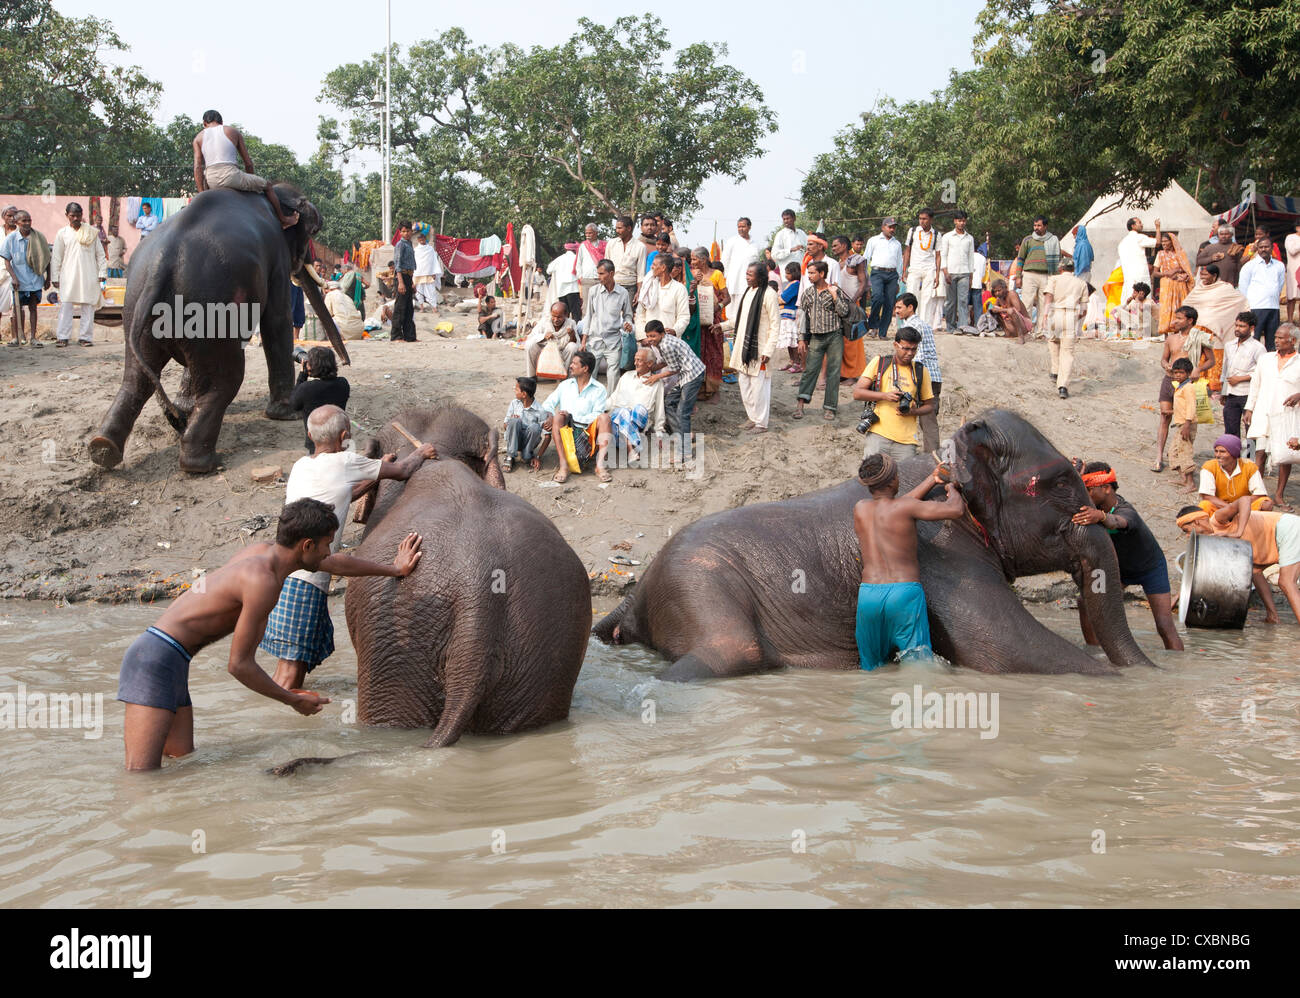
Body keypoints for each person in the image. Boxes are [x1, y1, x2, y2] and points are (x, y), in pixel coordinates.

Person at [119, 496, 423, 769]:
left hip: (172, 659)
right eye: (327, 543)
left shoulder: (262, 553)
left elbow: (336, 564)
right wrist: (291, 699)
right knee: (141, 777)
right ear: (306, 545)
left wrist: (394, 569)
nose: (328, 552)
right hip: (154, 660)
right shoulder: (263, 583)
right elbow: (239, 665)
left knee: (182, 763)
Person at [260, 409, 436, 691]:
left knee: (293, 664)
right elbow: (403, 471)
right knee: (289, 674)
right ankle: (279, 721)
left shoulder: (302, 465)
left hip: (282, 579)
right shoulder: (346, 461)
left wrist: (376, 472)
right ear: (345, 437)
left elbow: (344, 493)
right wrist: (422, 453)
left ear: (309, 436)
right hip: (304, 585)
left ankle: (287, 714)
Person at [852, 455, 965, 670]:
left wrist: (933, 479)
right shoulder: (906, 508)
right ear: (893, 481)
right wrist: (953, 489)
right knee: (918, 667)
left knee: (870, 669)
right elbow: (955, 510)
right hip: (903, 594)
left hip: (868, 596)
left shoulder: (860, 509)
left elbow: (899, 506)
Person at [1072, 463, 1183, 650]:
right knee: (1085, 602)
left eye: (1090, 490)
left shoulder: (1125, 510)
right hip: (1117, 570)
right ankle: (1094, 651)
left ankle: (1178, 669)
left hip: (1150, 569)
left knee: (1164, 626)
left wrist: (1100, 517)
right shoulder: (1092, 506)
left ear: (1106, 488)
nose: (1087, 495)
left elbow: (1118, 522)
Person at [1177, 498, 1300, 625]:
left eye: (1186, 531)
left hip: (1287, 528)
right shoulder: (1210, 541)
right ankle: (1272, 616)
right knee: (1254, 571)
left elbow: (1245, 500)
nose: (1187, 536)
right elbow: (1195, 576)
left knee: (1286, 582)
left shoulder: (1218, 519)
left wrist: (1238, 532)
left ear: (1196, 522)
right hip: (1275, 542)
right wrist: (1178, 599)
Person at [192, 110, 299, 228]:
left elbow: (197, 167)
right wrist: (251, 180)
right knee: (267, 186)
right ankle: (283, 219)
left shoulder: (198, 138)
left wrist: (201, 194)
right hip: (232, 176)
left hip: (211, 180)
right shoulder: (231, 131)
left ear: (204, 123)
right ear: (221, 122)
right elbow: (248, 163)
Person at [855, 325, 935, 460]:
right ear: (895, 345)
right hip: (878, 434)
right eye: (906, 348)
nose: (910, 353)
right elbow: (857, 393)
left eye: (914, 349)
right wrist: (885, 396)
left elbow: (929, 406)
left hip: (907, 441)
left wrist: (913, 412)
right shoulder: (879, 362)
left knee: (904, 480)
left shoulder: (921, 371)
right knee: (873, 478)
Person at [1244, 323, 1300, 508]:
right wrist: (1249, 408)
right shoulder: (1266, 359)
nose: (1276, 340)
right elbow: (1255, 385)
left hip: (1287, 415)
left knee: (1285, 457)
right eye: (1275, 337)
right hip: (1263, 411)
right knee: (1258, 453)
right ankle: (1257, 493)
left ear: (1292, 340)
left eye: (1280, 338)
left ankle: (1279, 495)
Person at [724, 261, 781, 432]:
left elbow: (775, 325)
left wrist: (768, 350)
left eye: (750, 274)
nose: (746, 277)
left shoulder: (769, 295)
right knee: (745, 384)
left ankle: (761, 423)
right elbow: (740, 319)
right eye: (747, 273)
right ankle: (752, 417)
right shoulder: (749, 292)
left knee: (759, 388)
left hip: (760, 349)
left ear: (761, 276)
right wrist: (721, 326)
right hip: (744, 349)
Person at [536, 350, 610, 482]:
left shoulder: (599, 389)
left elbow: (597, 414)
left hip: (588, 432)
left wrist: (573, 417)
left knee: (605, 418)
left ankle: (599, 466)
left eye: (574, 363)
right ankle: (563, 466)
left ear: (585, 368)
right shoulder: (565, 385)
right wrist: (550, 416)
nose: (570, 366)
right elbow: (548, 404)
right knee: (558, 416)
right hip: (567, 431)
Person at [643, 319, 706, 464]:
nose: (650, 339)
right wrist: (653, 368)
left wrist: (656, 376)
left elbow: (674, 369)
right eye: (648, 336)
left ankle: (685, 453)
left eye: (653, 336)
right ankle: (683, 435)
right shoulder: (663, 343)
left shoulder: (665, 345)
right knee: (669, 402)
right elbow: (670, 361)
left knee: (682, 413)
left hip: (692, 375)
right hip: (686, 374)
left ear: (662, 333)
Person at [793, 261, 850, 421]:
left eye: (812, 273)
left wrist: (834, 295)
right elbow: (803, 317)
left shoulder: (834, 290)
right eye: (808, 273)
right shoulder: (807, 293)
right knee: (810, 371)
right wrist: (802, 339)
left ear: (822, 274)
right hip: (816, 337)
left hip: (834, 336)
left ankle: (830, 408)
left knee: (833, 372)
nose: (809, 276)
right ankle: (800, 405)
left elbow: (844, 311)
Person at [1154, 305, 1207, 471]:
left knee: (1186, 420)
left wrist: (1198, 369)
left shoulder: (1200, 337)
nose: (1175, 321)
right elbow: (1163, 359)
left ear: (1190, 320)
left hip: (1187, 383)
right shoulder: (1171, 339)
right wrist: (1166, 366)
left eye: (1179, 318)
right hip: (1169, 380)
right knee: (1164, 416)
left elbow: (1210, 360)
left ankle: (1180, 456)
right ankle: (1159, 456)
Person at [595, 348, 667, 466]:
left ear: (649, 363)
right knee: (622, 411)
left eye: (639, 360)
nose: (635, 363)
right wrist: (596, 408)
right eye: (635, 360)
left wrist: (659, 432)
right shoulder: (626, 376)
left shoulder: (657, 383)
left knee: (639, 409)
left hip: (639, 424)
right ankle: (631, 449)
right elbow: (612, 400)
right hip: (617, 429)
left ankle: (630, 447)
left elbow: (660, 409)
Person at [1181, 264, 1246, 393]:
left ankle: (1214, 385)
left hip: (1215, 329)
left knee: (1213, 355)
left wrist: (1221, 317)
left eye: (1206, 275)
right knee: (1198, 356)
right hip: (1199, 328)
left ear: (1214, 276)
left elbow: (1240, 300)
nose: (1203, 278)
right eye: (1202, 275)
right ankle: (1198, 382)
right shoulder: (1199, 289)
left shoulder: (1225, 288)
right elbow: (1187, 304)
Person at [50, 201, 106, 348]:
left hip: (89, 275)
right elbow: (56, 257)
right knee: (66, 305)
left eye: (78, 215)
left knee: (88, 306)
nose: (75, 218)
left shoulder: (91, 232)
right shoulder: (62, 233)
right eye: (72, 215)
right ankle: (63, 337)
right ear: (67, 216)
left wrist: (102, 272)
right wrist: (55, 277)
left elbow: (100, 255)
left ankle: (85, 338)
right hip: (68, 275)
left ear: (82, 215)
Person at [894, 293, 943, 452]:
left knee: (927, 420)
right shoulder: (919, 324)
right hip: (930, 375)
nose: (897, 311)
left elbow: (917, 356)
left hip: (923, 376)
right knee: (926, 419)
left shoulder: (913, 326)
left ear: (910, 307)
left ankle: (933, 456)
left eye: (899, 307)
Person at [581, 259, 634, 393]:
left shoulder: (623, 293)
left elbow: (628, 315)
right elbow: (588, 315)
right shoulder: (593, 291)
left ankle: (611, 402)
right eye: (598, 273)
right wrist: (584, 341)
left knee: (613, 373)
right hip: (595, 339)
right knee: (591, 372)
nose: (599, 277)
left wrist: (628, 324)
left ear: (611, 273)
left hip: (614, 340)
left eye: (601, 274)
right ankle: (589, 399)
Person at [0, 209, 49, 348]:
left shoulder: (38, 237)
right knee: (17, 309)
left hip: (34, 279)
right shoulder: (11, 239)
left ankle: (33, 337)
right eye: (24, 221)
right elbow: (7, 262)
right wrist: (14, 278)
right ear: (17, 222)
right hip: (18, 280)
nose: (27, 223)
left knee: (33, 307)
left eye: (29, 220)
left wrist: (48, 278)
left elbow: (47, 259)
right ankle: (17, 337)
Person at [1042, 257, 1090, 398]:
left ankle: (1055, 370)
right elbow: (1084, 310)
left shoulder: (1054, 279)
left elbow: (1048, 297)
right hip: (1071, 316)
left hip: (1055, 313)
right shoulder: (1081, 283)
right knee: (1067, 352)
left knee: (1052, 340)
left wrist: (1045, 315)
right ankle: (1063, 386)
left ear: (1060, 268)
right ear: (1073, 269)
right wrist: (1076, 318)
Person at [290, 346, 350, 452]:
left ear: (311, 367)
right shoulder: (343, 383)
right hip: (339, 440)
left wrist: (302, 375)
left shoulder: (306, 388)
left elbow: (294, 404)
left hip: (316, 443)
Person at [1199, 433, 1273, 513]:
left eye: (1222, 452)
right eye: (1216, 451)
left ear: (1234, 454)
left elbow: (1259, 494)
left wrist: (1241, 507)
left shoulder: (1249, 466)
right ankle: (1214, 525)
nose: (1218, 455)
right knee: (1204, 505)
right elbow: (1207, 496)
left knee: (1266, 504)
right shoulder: (1209, 467)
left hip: (1245, 507)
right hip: (1220, 507)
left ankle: (1252, 524)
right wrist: (1231, 508)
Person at [1009, 216, 1059, 333]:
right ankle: (1027, 329)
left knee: (1044, 304)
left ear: (1045, 226)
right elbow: (1020, 259)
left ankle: (1041, 331)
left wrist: (1055, 279)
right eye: (1035, 225)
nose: (1036, 228)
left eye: (1039, 226)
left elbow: (1058, 260)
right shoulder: (1027, 240)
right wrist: (1018, 277)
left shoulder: (1053, 240)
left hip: (1047, 276)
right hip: (1029, 275)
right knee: (1027, 303)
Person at [1238, 234, 1287, 351]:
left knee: (1272, 341)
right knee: (1254, 340)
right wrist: (1248, 307)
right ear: (1257, 249)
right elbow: (1243, 287)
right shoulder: (1249, 266)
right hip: (1256, 307)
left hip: (1273, 307)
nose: (1263, 249)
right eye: (1261, 247)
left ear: (1272, 248)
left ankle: (1270, 364)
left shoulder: (1279, 266)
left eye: (1266, 247)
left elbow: (1279, 286)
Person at [1221, 312, 1266, 437]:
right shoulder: (1229, 345)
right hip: (1231, 394)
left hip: (1248, 394)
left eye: (1242, 326)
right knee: (1230, 431)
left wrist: (1240, 379)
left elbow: (1262, 372)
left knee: (1251, 431)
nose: (1237, 329)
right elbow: (1225, 370)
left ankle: (1251, 457)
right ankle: (1233, 456)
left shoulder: (1258, 348)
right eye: (1236, 325)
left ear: (1251, 328)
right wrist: (1223, 392)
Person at [689, 249, 723, 399]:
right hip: (696, 319)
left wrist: (717, 307)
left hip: (712, 322)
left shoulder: (717, 274)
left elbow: (726, 297)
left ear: (703, 260)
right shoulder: (691, 274)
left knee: (714, 353)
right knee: (698, 353)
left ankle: (713, 389)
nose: (692, 262)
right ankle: (699, 389)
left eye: (694, 259)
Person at [833, 234, 867, 382]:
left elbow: (863, 283)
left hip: (851, 305)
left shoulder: (857, 260)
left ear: (844, 246)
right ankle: (842, 372)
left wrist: (852, 303)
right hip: (839, 306)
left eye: (835, 245)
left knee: (852, 340)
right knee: (841, 340)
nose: (833, 248)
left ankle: (853, 375)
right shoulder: (836, 264)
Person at [902, 208, 943, 330]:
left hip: (929, 269)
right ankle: (909, 325)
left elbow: (938, 255)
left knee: (927, 298)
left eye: (924, 219)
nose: (922, 221)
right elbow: (907, 250)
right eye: (920, 218)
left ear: (931, 219)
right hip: (914, 267)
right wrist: (904, 270)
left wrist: (937, 274)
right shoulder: (913, 231)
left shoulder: (936, 234)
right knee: (910, 296)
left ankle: (923, 326)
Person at [634, 252, 688, 342]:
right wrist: (643, 337)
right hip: (647, 340)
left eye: (654, 265)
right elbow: (640, 315)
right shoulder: (648, 287)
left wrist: (675, 331)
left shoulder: (679, 289)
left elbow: (684, 316)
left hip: (669, 341)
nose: (651, 267)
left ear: (663, 268)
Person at [865, 217, 903, 339]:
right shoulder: (874, 240)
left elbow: (899, 263)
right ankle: (873, 325)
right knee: (877, 298)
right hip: (877, 273)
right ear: (883, 227)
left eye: (893, 227)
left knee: (889, 302)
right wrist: (865, 277)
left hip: (892, 275)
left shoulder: (897, 244)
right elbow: (866, 258)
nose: (892, 229)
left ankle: (883, 332)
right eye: (889, 227)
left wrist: (898, 280)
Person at [1152, 231, 1193, 336]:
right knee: (1166, 307)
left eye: (1166, 241)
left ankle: (1179, 332)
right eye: (1162, 242)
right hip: (1166, 285)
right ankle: (1166, 333)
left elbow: (1187, 270)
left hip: (1179, 284)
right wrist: (1167, 273)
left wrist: (1177, 271)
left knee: (1178, 307)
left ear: (1172, 242)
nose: (1164, 244)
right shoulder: (1160, 254)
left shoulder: (1180, 254)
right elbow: (1155, 273)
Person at [1168, 357, 1199, 491]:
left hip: (1187, 424)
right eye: (1176, 373)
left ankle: (1190, 483)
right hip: (1181, 424)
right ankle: (1184, 479)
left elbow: (1191, 406)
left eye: (1181, 372)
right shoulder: (1180, 387)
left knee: (1185, 452)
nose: (1178, 375)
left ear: (1188, 373)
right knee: (1174, 451)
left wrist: (1187, 424)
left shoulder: (1188, 387)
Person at [940, 211, 975, 331]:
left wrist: (971, 276)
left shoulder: (969, 238)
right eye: (959, 220)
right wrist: (945, 272)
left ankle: (962, 327)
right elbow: (943, 255)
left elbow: (971, 258)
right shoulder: (947, 237)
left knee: (963, 301)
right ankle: (950, 327)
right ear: (955, 221)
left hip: (965, 273)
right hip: (951, 272)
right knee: (950, 302)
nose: (961, 223)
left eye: (964, 220)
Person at [503, 376, 546, 472]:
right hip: (514, 440)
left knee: (535, 427)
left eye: (516, 389)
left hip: (528, 442)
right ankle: (510, 456)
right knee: (514, 421)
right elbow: (505, 426)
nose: (514, 390)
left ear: (524, 394)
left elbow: (547, 436)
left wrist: (538, 456)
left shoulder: (540, 410)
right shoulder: (514, 403)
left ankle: (527, 455)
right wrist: (510, 422)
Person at [1115, 216, 1160, 307]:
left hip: (1128, 276)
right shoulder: (1139, 237)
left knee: (1129, 299)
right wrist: (1158, 228)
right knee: (1143, 301)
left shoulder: (1122, 242)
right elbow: (1158, 243)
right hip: (1140, 275)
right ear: (1133, 226)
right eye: (1139, 222)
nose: (1142, 224)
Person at [525, 301, 578, 378]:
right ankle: (532, 377)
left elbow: (576, 344)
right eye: (554, 316)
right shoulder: (544, 322)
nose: (556, 320)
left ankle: (565, 377)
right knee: (530, 345)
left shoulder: (571, 323)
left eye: (559, 317)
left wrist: (572, 335)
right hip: (544, 354)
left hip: (562, 353)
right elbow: (531, 337)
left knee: (573, 346)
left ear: (566, 315)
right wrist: (543, 336)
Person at [607, 215, 646, 308]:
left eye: (620, 228)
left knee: (628, 317)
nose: (617, 231)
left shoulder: (640, 246)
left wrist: (638, 292)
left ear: (629, 228)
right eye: (616, 228)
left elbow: (641, 273)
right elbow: (606, 268)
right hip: (613, 286)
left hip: (630, 288)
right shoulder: (611, 244)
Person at [388, 221, 417, 342]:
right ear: (400, 233)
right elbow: (398, 265)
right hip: (401, 277)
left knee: (409, 308)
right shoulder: (400, 245)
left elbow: (411, 264)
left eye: (408, 231)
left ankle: (410, 336)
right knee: (400, 307)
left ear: (411, 231)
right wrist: (400, 282)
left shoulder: (409, 244)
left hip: (408, 277)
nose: (406, 233)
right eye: (403, 231)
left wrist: (412, 282)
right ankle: (396, 336)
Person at [722, 216, 760, 304]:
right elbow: (724, 261)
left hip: (749, 282)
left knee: (747, 306)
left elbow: (757, 263)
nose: (741, 229)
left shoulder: (755, 244)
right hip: (733, 281)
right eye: (739, 227)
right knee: (732, 310)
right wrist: (726, 277)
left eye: (743, 226)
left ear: (749, 227)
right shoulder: (732, 241)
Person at [776, 261, 803, 372]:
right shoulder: (791, 284)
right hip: (786, 315)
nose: (786, 276)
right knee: (789, 341)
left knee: (793, 341)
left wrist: (775, 297)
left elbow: (783, 299)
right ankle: (792, 361)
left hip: (791, 316)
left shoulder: (795, 284)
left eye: (788, 273)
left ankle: (797, 362)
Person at [771, 209, 807, 289]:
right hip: (788, 278)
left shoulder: (801, 233)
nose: (786, 221)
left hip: (803, 275)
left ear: (794, 219)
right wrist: (790, 250)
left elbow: (808, 248)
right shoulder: (781, 234)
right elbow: (774, 255)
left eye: (788, 218)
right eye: (784, 219)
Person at [574, 223, 605, 306]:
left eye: (590, 233)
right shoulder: (583, 246)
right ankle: (586, 319)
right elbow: (578, 263)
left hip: (601, 279)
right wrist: (580, 277)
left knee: (601, 305)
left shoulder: (603, 245)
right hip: (586, 280)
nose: (587, 235)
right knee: (587, 306)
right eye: (586, 233)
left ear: (596, 233)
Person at [412, 231, 442, 311]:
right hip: (418, 273)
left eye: (423, 238)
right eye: (420, 239)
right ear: (418, 240)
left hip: (429, 273)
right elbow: (414, 261)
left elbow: (434, 261)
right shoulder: (415, 250)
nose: (422, 240)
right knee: (418, 291)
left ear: (425, 239)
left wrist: (434, 272)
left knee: (431, 291)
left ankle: (434, 308)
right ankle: (422, 308)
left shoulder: (430, 249)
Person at [1286, 219, 1300, 324]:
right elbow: (1292, 250)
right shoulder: (1290, 237)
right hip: (1294, 270)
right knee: (1291, 297)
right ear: (1297, 227)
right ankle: (1290, 321)